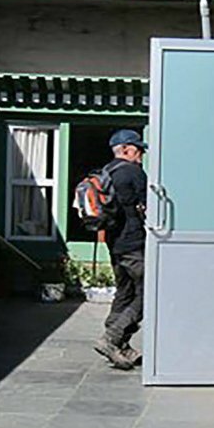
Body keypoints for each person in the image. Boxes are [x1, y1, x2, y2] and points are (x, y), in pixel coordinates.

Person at [93, 129, 147, 370]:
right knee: (148, 292)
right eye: (138, 149)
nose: (141, 154)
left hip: (115, 244)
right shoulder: (133, 172)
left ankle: (119, 346)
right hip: (133, 244)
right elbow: (149, 206)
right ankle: (112, 339)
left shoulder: (107, 171)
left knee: (124, 292)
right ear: (125, 149)